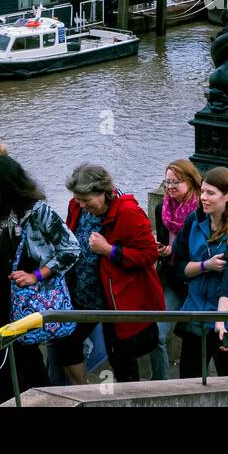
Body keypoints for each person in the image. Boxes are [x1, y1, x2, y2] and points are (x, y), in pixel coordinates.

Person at [0, 155, 80, 403]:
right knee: (12, 369)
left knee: (24, 368)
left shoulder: (39, 212)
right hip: (6, 304)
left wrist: (36, 275)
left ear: (10, 185)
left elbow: (72, 249)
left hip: (32, 302)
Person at [62, 164, 164, 383]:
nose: (81, 204)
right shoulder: (76, 206)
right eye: (78, 199)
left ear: (103, 191)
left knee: (121, 361)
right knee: (66, 343)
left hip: (115, 301)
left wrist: (109, 250)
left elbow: (148, 254)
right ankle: (85, 394)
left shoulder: (128, 212)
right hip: (83, 296)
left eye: (86, 200)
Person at [171, 167, 228, 378]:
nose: (203, 198)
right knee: (188, 382)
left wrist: (220, 321)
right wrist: (205, 265)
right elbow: (178, 267)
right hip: (197, 314)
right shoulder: (194, 220)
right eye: (202, 192)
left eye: (211, 193)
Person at [151, 158, 202, 380]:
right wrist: (160, 249)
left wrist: (175, 251)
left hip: (196, 282)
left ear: (191, 182)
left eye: (176, 182)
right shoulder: (162, 207)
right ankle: (160, 383)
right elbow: (163, 240)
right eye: (167, 182)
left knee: (197, 340)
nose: (170, 187)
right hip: (172, 279)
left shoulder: (202, 210)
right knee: (156, 334)